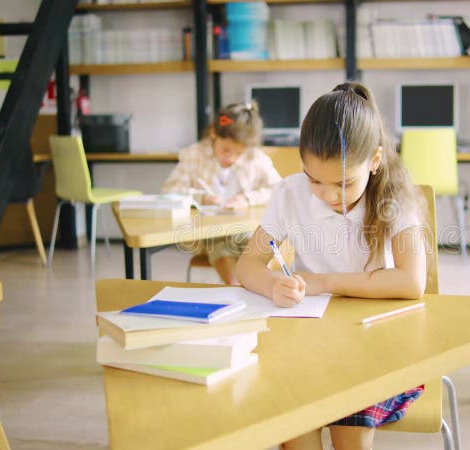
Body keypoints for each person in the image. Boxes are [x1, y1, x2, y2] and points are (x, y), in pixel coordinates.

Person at [235, 81, 430, 450]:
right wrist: (272, 284)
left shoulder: (394, 197)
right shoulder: (289, 193)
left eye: (342, 183)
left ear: (374, 161)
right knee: (292, 422)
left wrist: (324, 281)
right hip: (310, 338)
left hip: (378, 340)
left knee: (348, 428)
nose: (327, 195)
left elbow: (411, 282)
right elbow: (246, 266)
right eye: (314, 180)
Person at [162, 101, 281, 285]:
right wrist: (200, 198)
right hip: (210, 234)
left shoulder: (255, 158)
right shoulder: (194, 154)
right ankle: (237, 289)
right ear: (213, 134)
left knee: (255, 242)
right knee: (221, 242)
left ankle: (255, 287)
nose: (230, 157)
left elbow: (278, 189)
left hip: (245, 230)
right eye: (226, 149)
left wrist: (247, 199)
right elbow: (170, 191)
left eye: (238, 153)